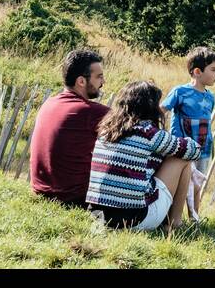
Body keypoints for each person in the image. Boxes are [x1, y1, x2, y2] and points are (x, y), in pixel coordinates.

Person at [86, 81, 201, 234]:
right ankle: (174, 224)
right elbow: (194, 151)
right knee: (181, 159)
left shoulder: (106, 131)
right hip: (133, 219)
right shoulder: (148, 133)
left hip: (98, 217)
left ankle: (172, 222)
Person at [29, 49, 110, 207]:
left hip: (40, 191)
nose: (103, 82)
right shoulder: (92, 111)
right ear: (81, 81)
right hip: (74, 198)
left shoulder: (49, 103)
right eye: (99, 77)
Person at [160, 47, 215, 221]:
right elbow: (162, 109)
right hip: (183, 148)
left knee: (197, 183)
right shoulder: (180, 92)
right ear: (197, 72)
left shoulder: (211, 97)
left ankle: (194, 217)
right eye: (213, 70)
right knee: (179, 182)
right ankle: (169, 216)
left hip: (203, 148)